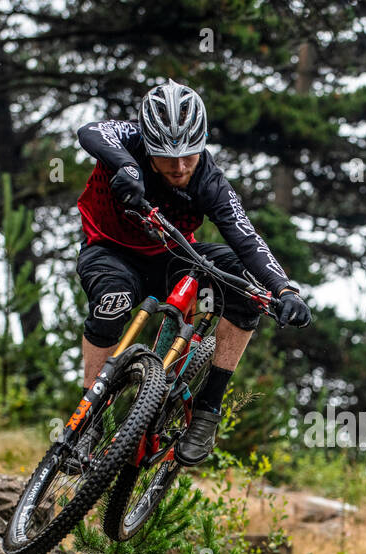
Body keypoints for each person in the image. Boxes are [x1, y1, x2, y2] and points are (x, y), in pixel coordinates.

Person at [74, 79, 312, 465]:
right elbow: (90, 132)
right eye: (167, 157)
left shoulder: (208, 180)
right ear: (147, 142)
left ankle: (207, 411)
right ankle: (88, 419)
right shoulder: (128, 141)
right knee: (111, 304)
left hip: (170, 255)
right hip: (109, 251)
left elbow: (246, 238)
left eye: (189, 155)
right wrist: (127, 168)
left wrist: (284, 291)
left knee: (245, 288)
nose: (180, 166)